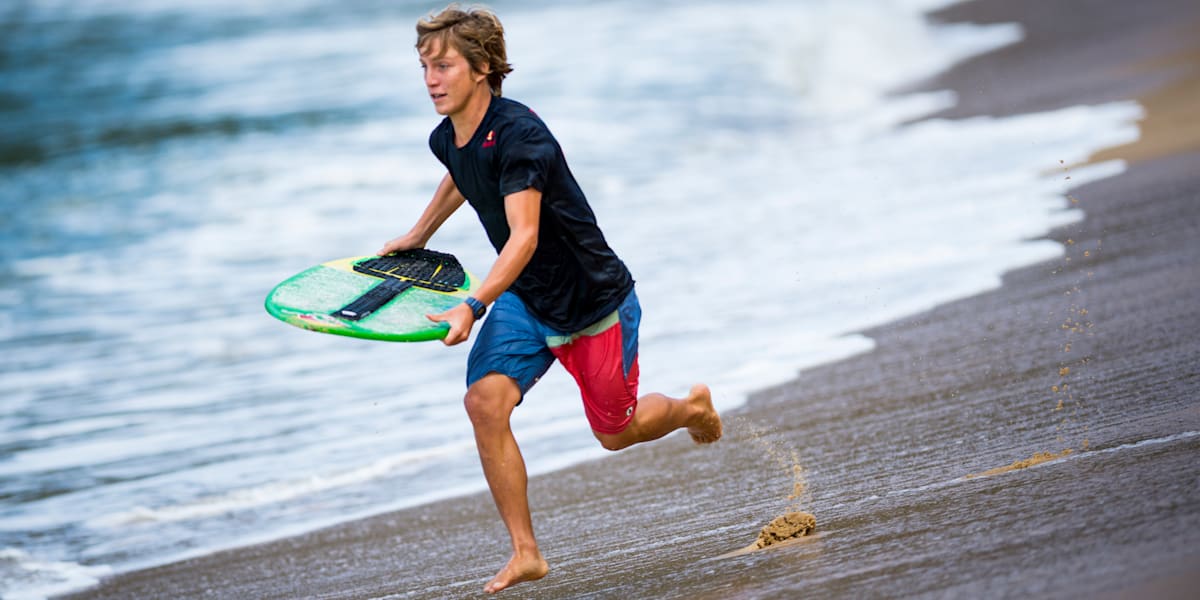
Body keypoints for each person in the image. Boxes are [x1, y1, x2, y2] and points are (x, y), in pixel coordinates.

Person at [378, 5, 723, 594]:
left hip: (592, 304)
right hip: (526, 301)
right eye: (424, 67)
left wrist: (474, 303)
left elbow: (526, 236)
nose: (431, 80)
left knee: (615, 434)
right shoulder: (448, 136)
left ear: (482, 67)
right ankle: (526, 552)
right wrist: (419, 234)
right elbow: (466, 172)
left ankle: (692, 408)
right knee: (485, 404)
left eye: (443, 66)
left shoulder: (523, 136)